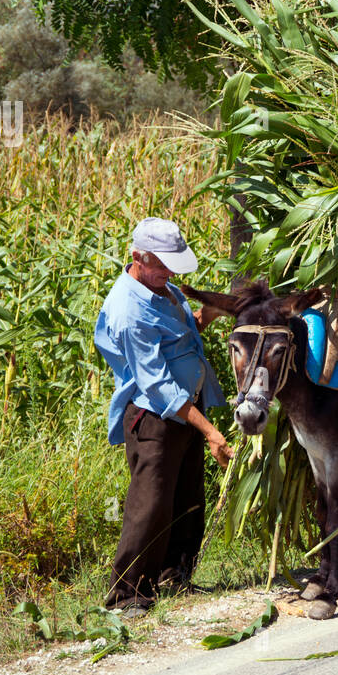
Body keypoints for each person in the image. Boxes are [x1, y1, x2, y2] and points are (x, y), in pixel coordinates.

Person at [93, 217, 233, 617]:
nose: (169, 273)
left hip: (186, 411)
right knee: (151, 503)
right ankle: (127, 594)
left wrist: (212, 312)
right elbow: (157, 385)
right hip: (155, 417)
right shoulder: (128, 310)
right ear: (137, 256)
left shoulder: (163, 289)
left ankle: (176, 576)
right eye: (161, 265)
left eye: (173, 265)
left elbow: (182, 336)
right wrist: (211, 432)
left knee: (187, 496)